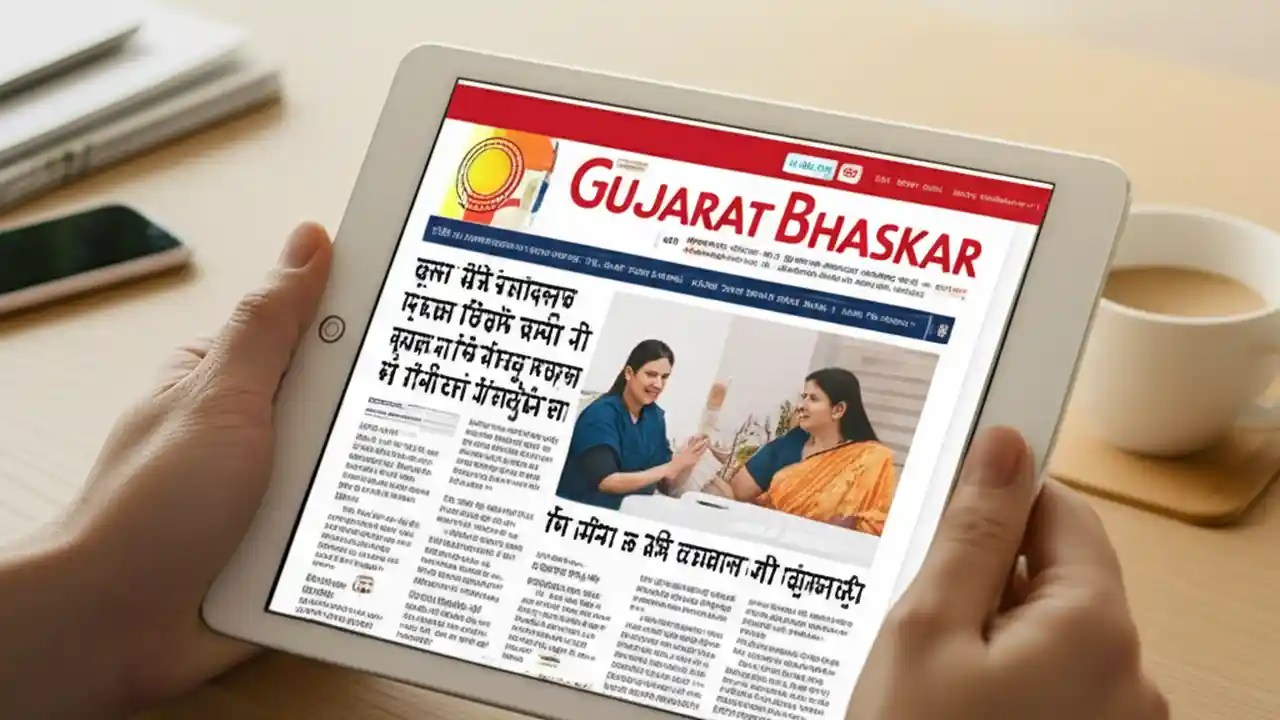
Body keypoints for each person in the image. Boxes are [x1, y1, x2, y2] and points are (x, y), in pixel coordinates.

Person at [0, 224, 1168, 719]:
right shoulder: (628, 418)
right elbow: (653, 492)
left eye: (813, 393)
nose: (802, 402)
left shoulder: (868, 462)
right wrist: (693, 476)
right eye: (653, 380)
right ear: (634, 374)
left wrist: (96, 611)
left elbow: (807, 526)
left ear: (839, 404)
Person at [705, 368, 898, 534]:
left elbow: (870, 522)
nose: (801, 406)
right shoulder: (791, 443)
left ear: (838, 410)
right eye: (803, 397)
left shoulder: (871, 458)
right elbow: (739, 492)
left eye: (813, 399)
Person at [555, 339, 707, 510]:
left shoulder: (654, 417)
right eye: (651, 374)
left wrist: (686, 461)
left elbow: (666, 484)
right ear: (629, 373)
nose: (658, 384)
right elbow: (606, 482)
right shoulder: (600, 415)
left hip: (634, 511)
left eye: (664, 377)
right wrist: (669, 468)